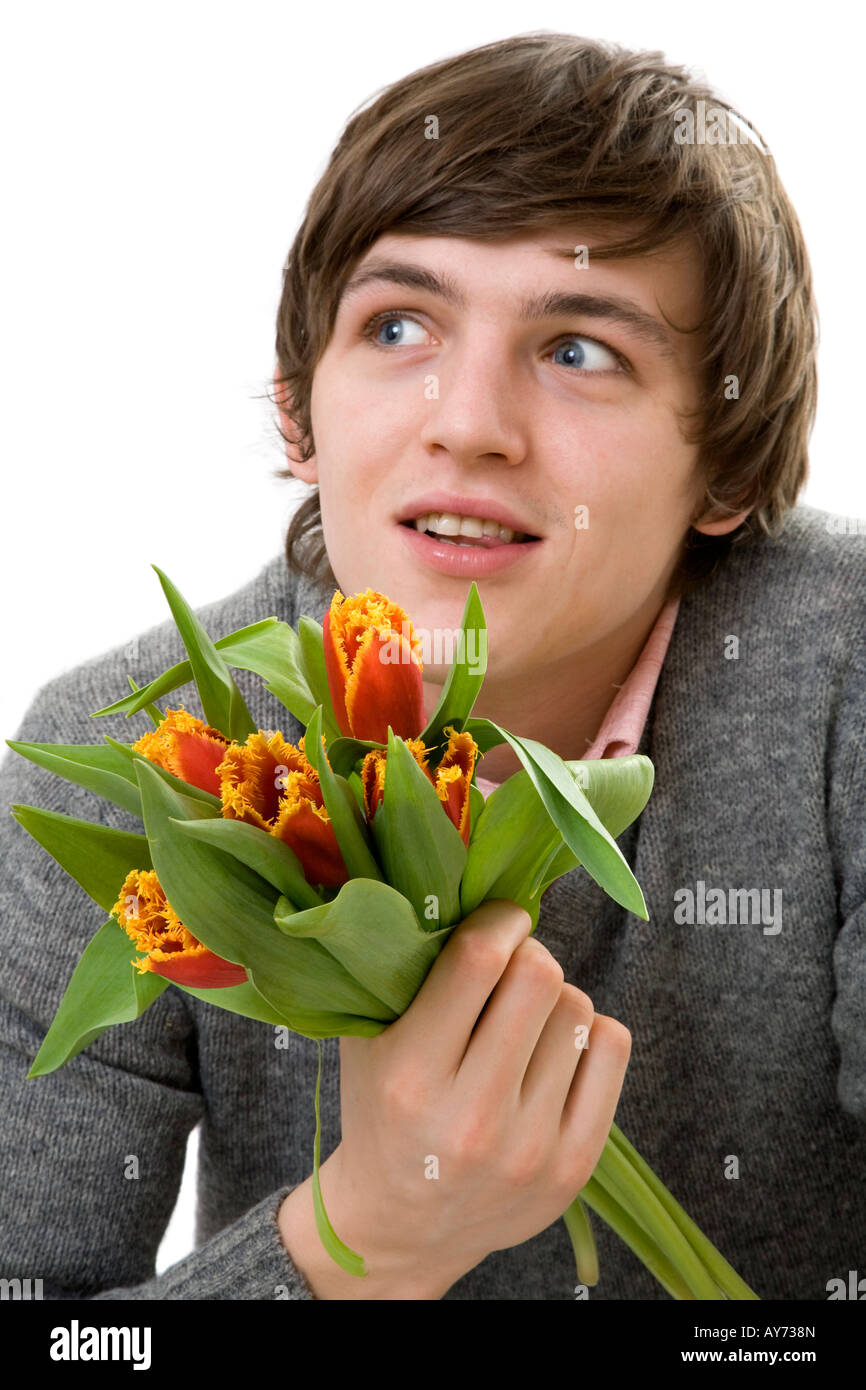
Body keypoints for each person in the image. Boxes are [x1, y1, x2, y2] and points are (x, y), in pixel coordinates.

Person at [1, 32, 863, 1302]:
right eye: (398, 324)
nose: (464, 421)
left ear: (726, 468)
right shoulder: (139, 754)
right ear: (298, 408)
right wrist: (356, 1241)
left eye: (578, 350)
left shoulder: (840, 682)